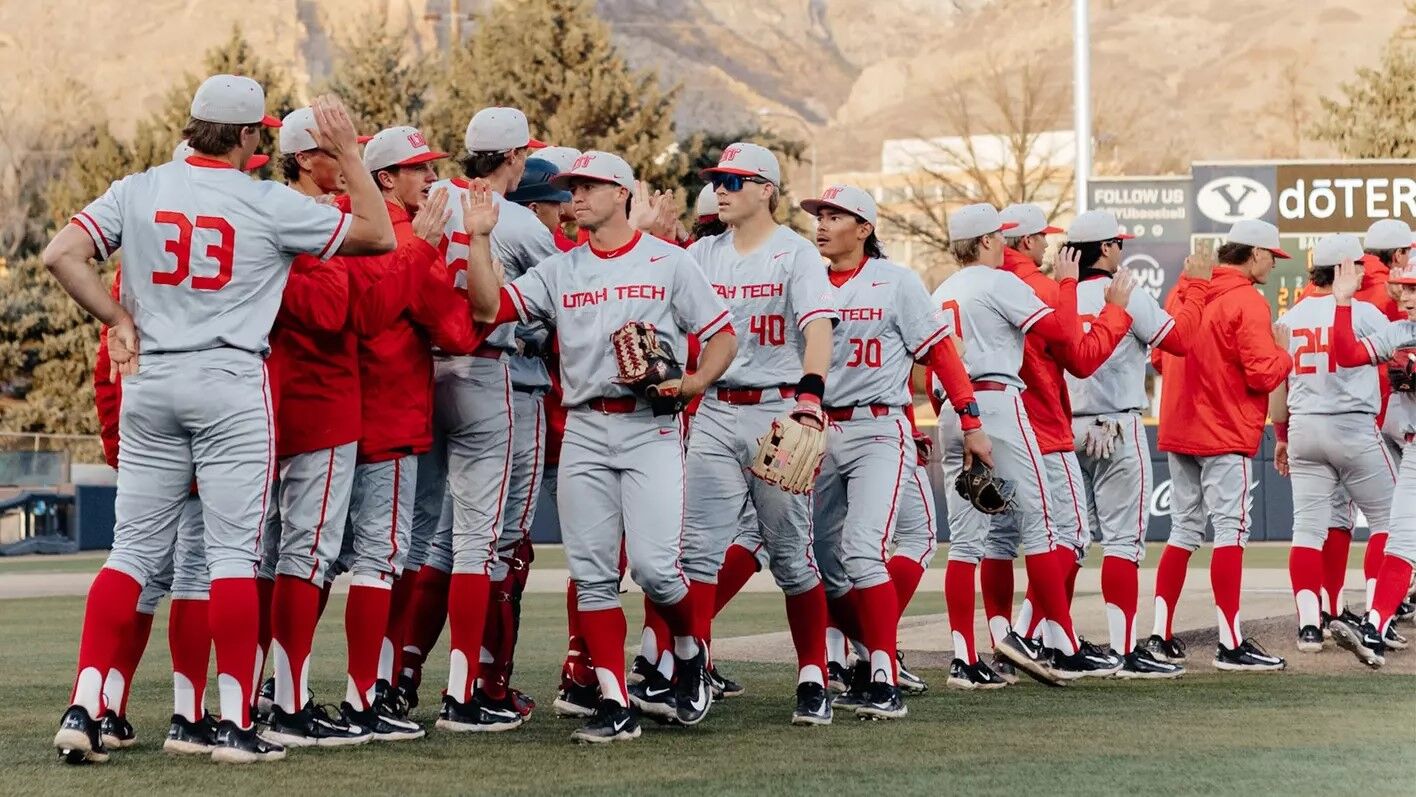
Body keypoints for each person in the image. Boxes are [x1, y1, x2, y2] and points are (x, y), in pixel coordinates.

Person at [47, 83, 395, 765]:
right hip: (230, 380)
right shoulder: (264, 200)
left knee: (130, 553)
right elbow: (378, 235)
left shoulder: (139, 187)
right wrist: (351, 156)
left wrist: (117, 318)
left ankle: (85, 705)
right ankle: (235, 723)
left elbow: (61, 253)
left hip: (152, 378)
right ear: (245, 137)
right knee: (233, 556)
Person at [465, 151, 737, 743]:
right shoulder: (561, 268)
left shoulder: (668, 261)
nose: (576, 196)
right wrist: (479, 240)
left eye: (589, 186)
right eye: (572, 187)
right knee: (591, 574)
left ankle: (689, 651)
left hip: (650, 426)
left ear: (621, 193)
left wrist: (694, 383)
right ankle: (614, 701)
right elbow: (488, 308)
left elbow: (722, 335)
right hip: (585, 425)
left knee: (656, 569)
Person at [651, 143, 837, 726]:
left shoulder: (795, 253)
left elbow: (819, 329)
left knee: (790, 554)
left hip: (777, 410)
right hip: (714, 409)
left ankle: (814, 675)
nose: (721, 189)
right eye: (718, 180)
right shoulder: (701, 254)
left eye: (734, 180)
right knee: (697, 551)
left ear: (766, 190)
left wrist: (810, 396)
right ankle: (691, 667)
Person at [805, 184, 988, 719]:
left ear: (864, 228)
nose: (821, 224)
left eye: (834, 216)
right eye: (819, 215)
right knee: (821, 561)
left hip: (878, 426)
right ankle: (865, 656)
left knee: (864, 549)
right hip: (816, 431)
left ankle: (883, 676)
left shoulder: (896, 281)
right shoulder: (806, 279)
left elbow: (940, 353)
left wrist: (971, 421)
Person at [930, 203, 1127, 686]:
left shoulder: (941, 290)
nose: (1004, 243)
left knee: (966, 544)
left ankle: (964, 660)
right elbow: (1063, 333)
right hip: (997, 401)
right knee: (1042, 528)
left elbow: (927, 366)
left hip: (952, 408)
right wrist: (1067, 285)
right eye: (997, 236)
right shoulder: (998, 281)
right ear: (984, 242)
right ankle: (1062, 646)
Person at [257, 105, 373, 749]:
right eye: (338, 151)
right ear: (304, 158)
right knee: (302, 555)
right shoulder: (304, 218)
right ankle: (290, 703)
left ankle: (254, 693)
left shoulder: (263, 210)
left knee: (265, 557)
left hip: (264, 403)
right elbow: (331, 311)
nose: (350, 161)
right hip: (315, 401)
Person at [1062, 210, 1209, 678]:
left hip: (1064, 431)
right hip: (1116, 425)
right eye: (1118, 244)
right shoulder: (1125, 291)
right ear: (1105, 248)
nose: (1121, 251)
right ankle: (1125, 650)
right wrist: (1195, 287)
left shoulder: (1056, 295)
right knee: (1122, 543)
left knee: (1066, 542)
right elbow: (1180, 339)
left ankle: (1049, 639)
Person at [1149, 219, 1293, 672]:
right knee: (1230, 531)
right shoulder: (1246, 300)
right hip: (1224, 429)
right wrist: (1284, 354)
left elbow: (1159, 356)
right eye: (1272, 256)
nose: (1273, 264)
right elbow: (1263, 374)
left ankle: (1159, 634)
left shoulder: (1185, 288)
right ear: (1254, 253)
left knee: (1182, 531)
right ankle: (1230, 643)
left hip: (1180, 425)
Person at [1272, 233, 1399, 655]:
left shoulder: (1291, 316)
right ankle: (1377, 619)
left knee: (1307, 530)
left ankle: (1310, 626)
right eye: (1358, 264)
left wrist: (1281, 436)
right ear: (1342, 269)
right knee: (1391, 521)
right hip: (1352, 426)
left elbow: (1277, 384)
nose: (1363, 271)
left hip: (1304, 427)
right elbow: (1399, 353)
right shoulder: (1362, 312)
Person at [1326, 259, 1416, 668]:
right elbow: (1346, 354)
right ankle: (1374, 630)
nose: (1405, 295)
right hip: (1413, 448)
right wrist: (1343, 304)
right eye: (1404, 286)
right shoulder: (1400, 332)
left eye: (1414, 288)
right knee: (1401, 545)